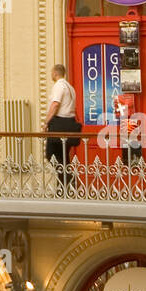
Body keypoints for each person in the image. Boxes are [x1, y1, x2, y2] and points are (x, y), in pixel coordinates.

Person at [43, 64, 81, 195]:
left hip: (59, 123)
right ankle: (64, 187)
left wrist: (46, 122)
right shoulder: (70, 87)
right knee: (63, 157)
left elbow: (55, 104)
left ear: (55, 73)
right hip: (70, 123)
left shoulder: (59, 86)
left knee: (51, 154)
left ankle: (69, 180)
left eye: (51, 72)